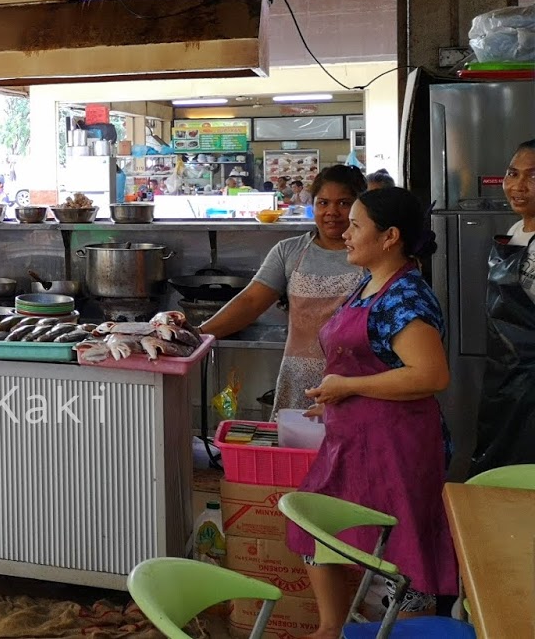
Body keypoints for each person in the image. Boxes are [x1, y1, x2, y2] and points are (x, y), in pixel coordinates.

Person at [288, 186, 455, 632]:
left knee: (404, 553)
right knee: (317, 530)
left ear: (389, 237)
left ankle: (408, 630)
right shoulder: (370, 282)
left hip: (396, 446)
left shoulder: (407, 297)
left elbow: (431, 375)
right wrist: (336, 397)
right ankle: (334, 628)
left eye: (356, 223)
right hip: (354, 438)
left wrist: (349, 386)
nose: (345, 230)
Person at [200, 165, 368, 414]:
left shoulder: (372, 254)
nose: (332, 212)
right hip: (297, 378)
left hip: (356, 381)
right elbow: (250, 302)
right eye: (323, 203)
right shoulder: (289, 251)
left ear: (359, 207)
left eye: (343, 203)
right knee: (295, 450)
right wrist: (198, 336)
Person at [470, 138, 535, 474]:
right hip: (505, 377)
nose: (518, 186)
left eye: (533, 177)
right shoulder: (515, 230)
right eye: (513, 174)